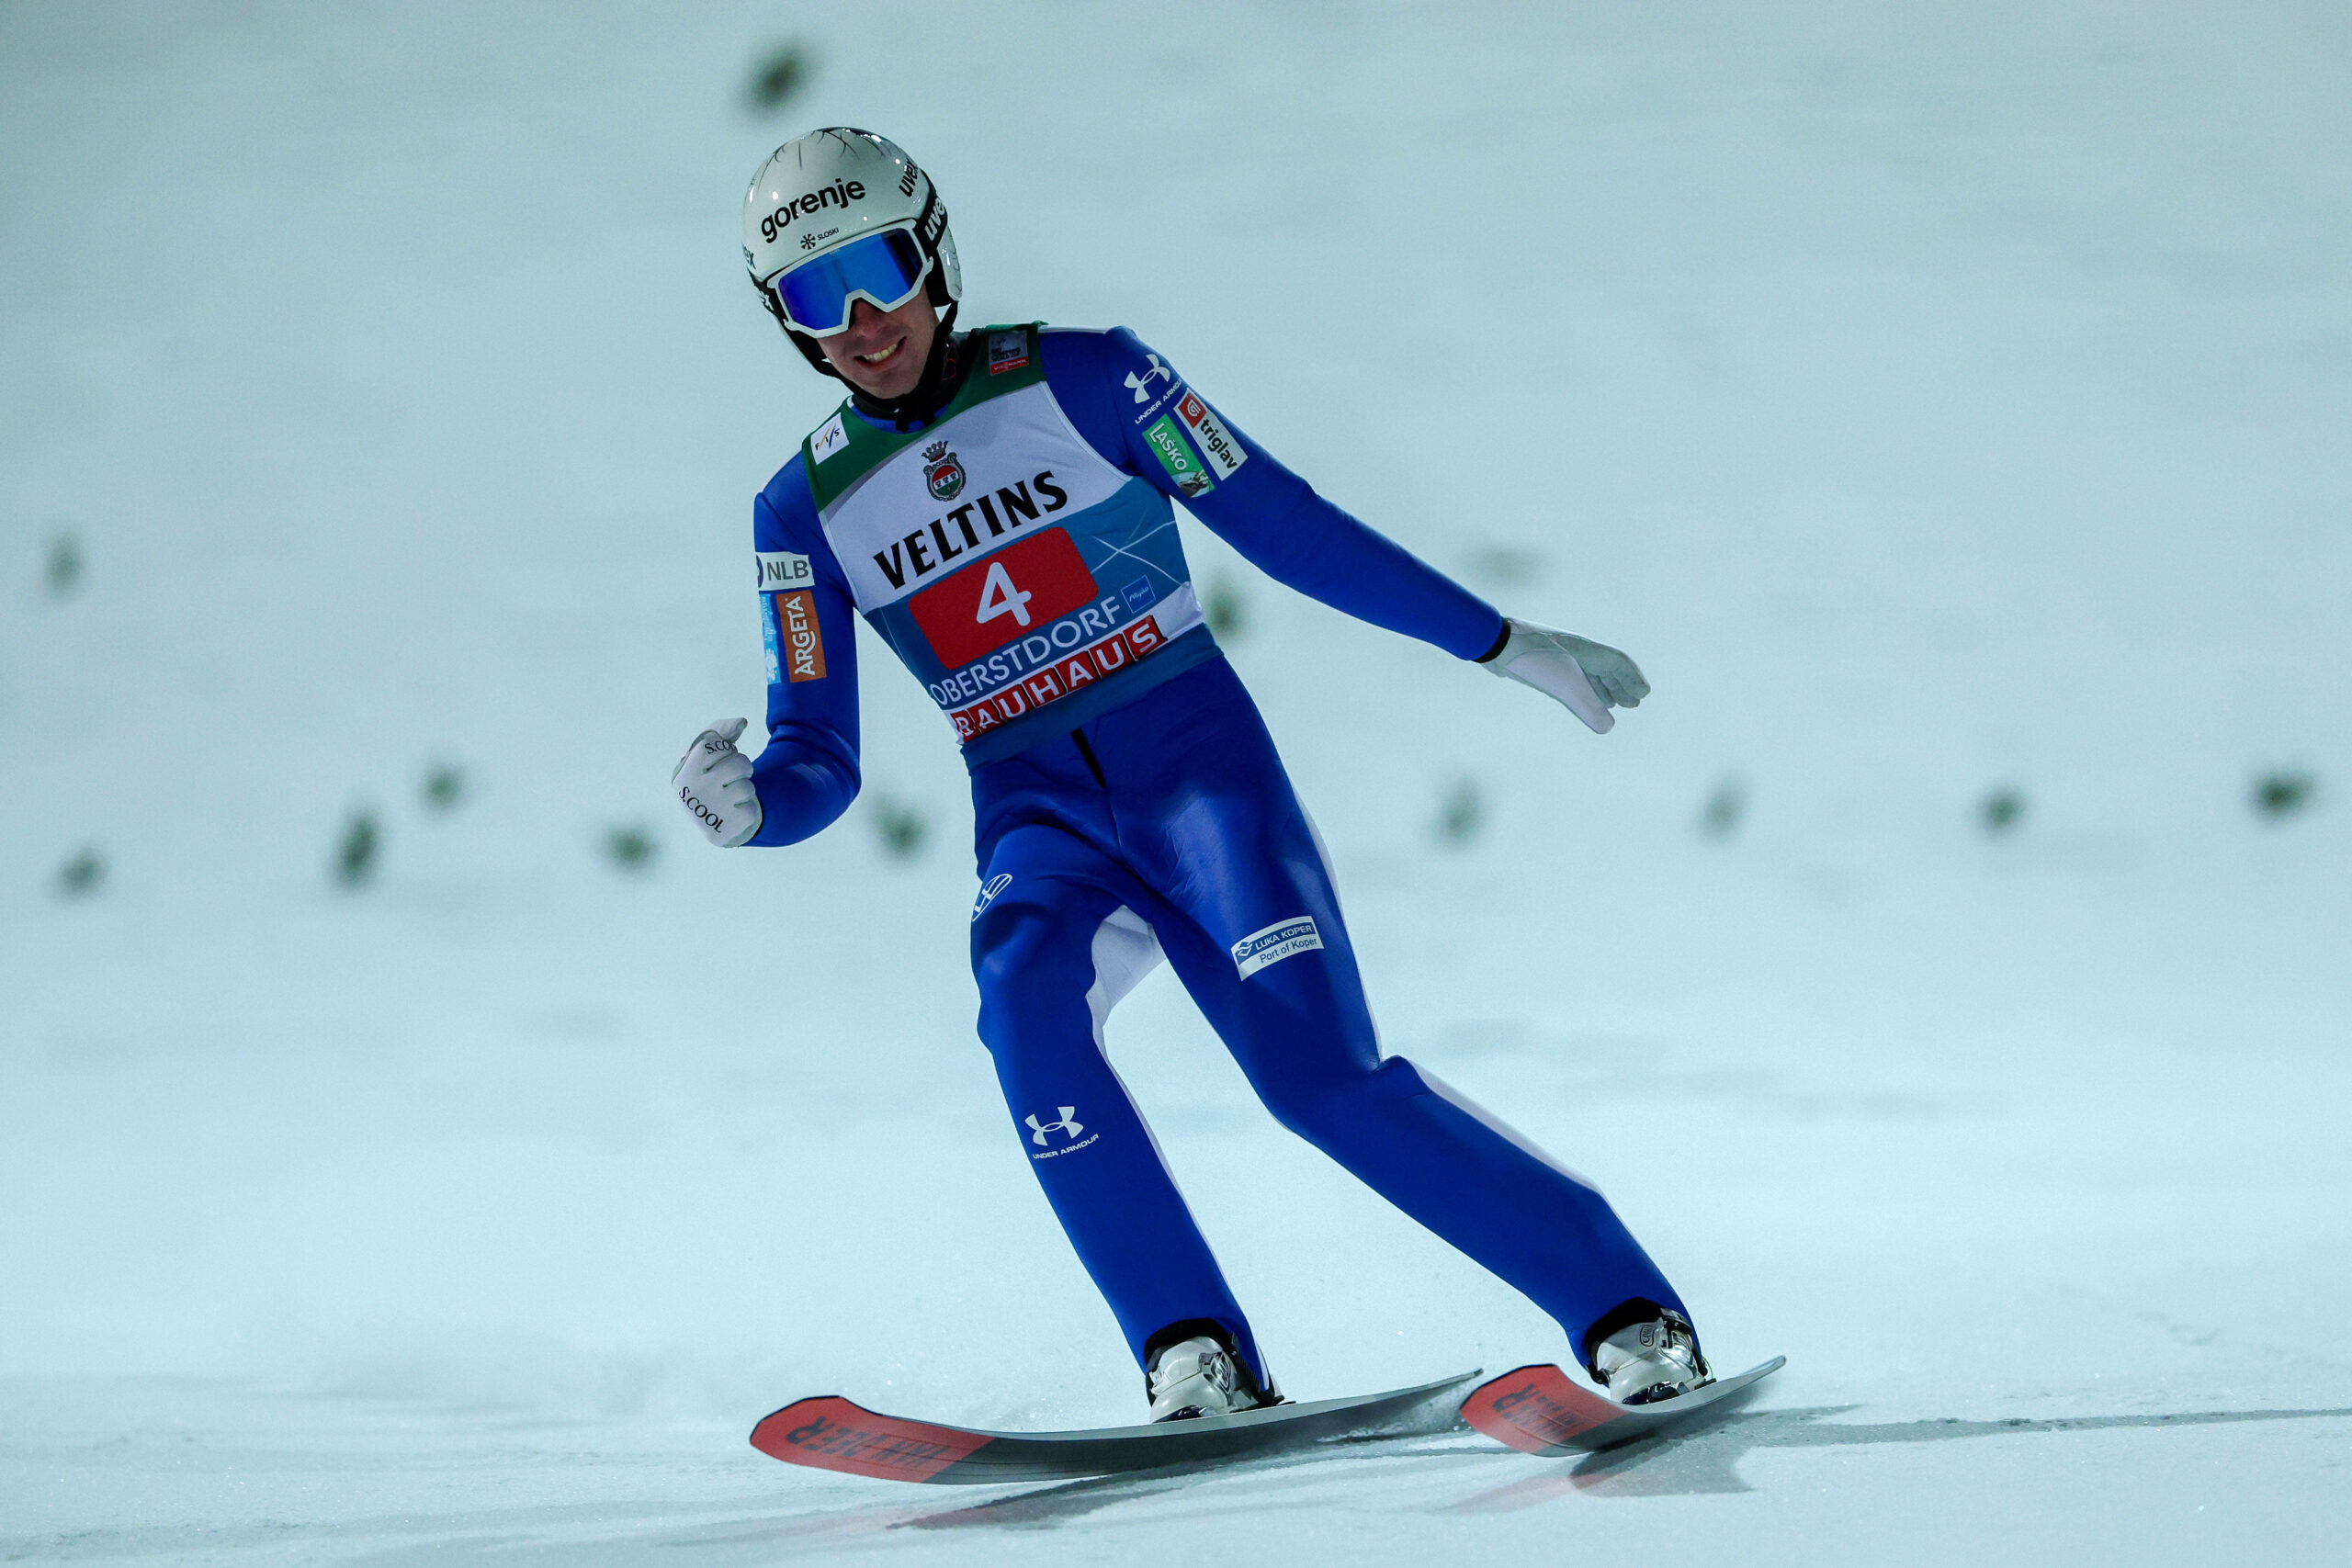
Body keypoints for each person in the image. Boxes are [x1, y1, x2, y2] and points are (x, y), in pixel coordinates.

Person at [674, 128, 1706, 1421]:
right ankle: (1189, 1349)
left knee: (1315, 1081)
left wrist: (1497, 641)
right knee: (1023, 1004)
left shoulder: (1092, 378)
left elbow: (1285, 525)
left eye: (879, 271)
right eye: (817, 299)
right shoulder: (804, 507)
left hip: (1200, 782)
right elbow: (817, 751)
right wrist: (762, 808)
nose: (865, 321)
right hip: (1039, 819)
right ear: (787, 325)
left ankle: (1627, 1313)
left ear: (933, 258)